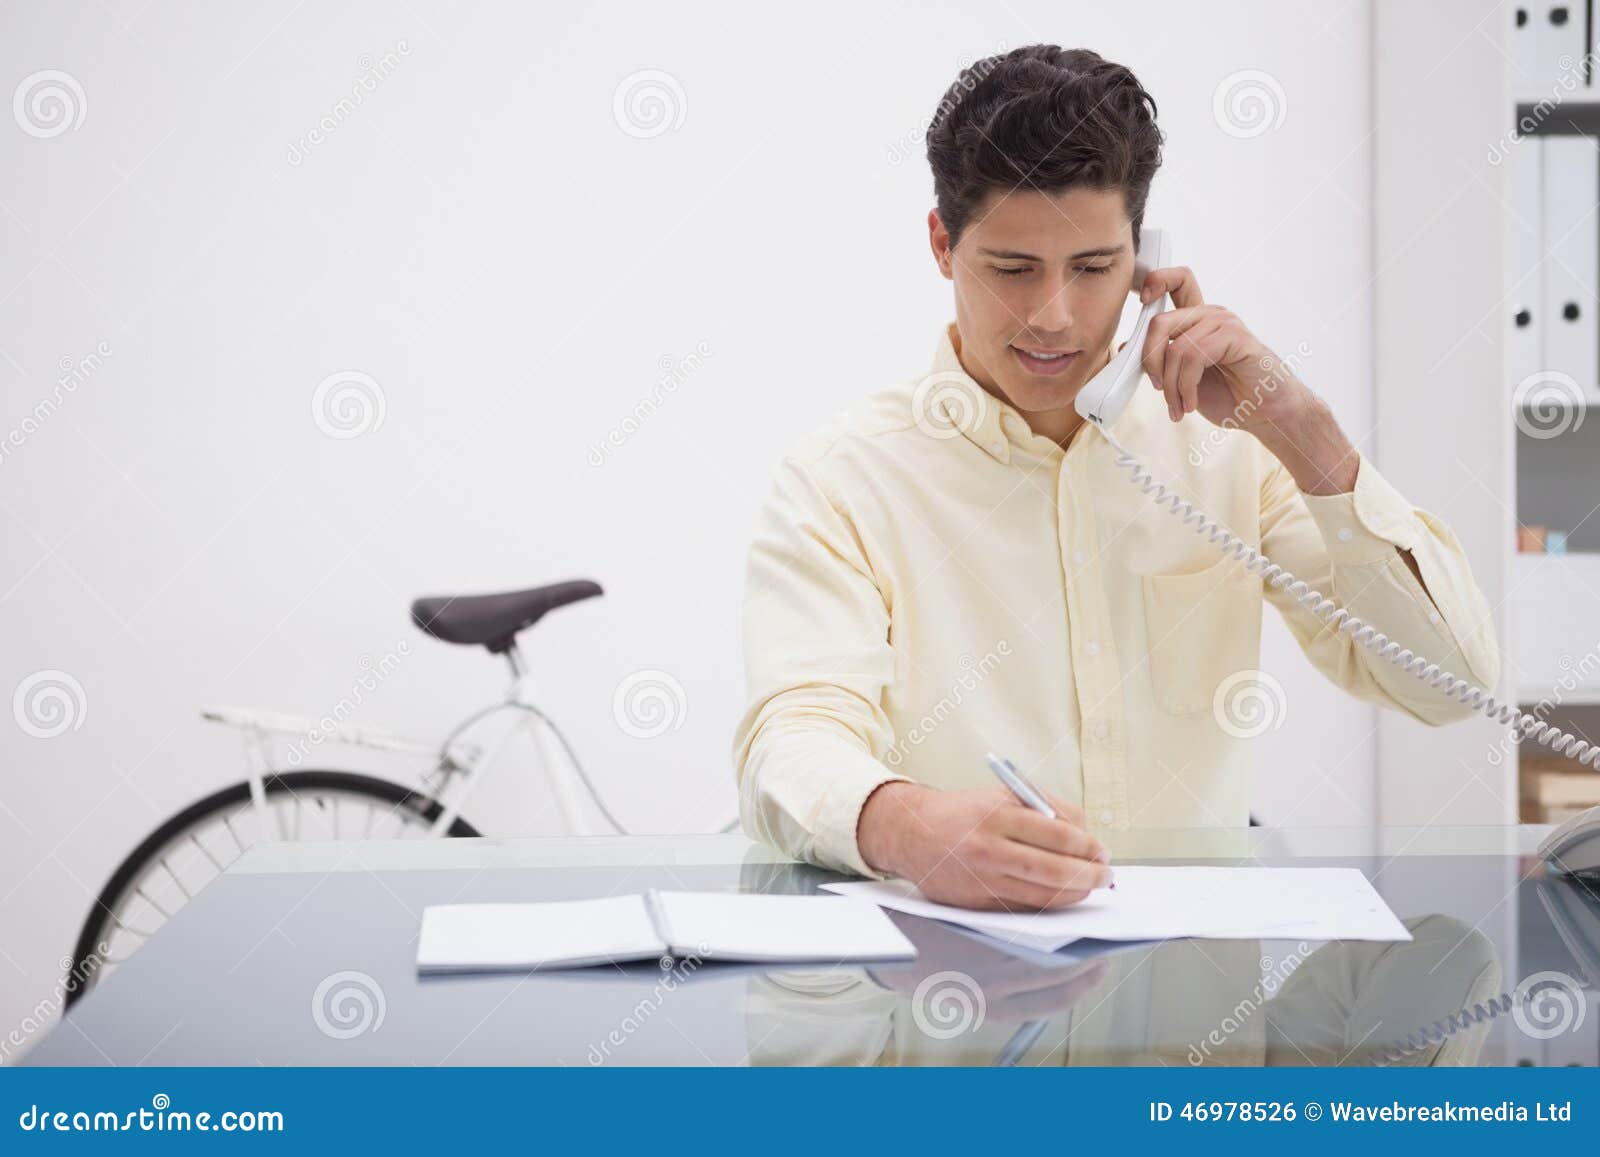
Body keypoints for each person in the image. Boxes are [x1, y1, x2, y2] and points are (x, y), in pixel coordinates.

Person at [730, 45, 1500, 912]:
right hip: (956, 978)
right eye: (1013, 269)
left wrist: (1298, 424)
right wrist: (913, 827)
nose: (1053, 316)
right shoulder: (841, 481)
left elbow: (1451, 686)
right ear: (943, 244)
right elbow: (789, 740)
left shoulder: (1231, 451)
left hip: (1191, 987)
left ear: (1145, 261)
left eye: (1094, 269)